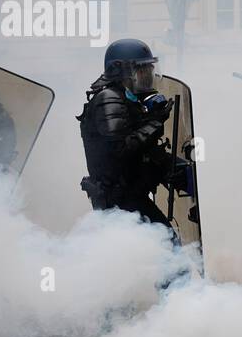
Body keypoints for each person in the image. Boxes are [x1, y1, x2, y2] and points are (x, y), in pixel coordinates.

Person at [78, 38, 187, 232]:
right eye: (143, 70)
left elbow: (139, 148)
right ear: (124, 72)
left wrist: (174, 168)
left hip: (130, 197)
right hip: (120, 204)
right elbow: (120, 149)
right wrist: (155, 122)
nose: (149, 75)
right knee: (169, 250)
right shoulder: (108, 99)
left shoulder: (126, 99)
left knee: (166, 247)